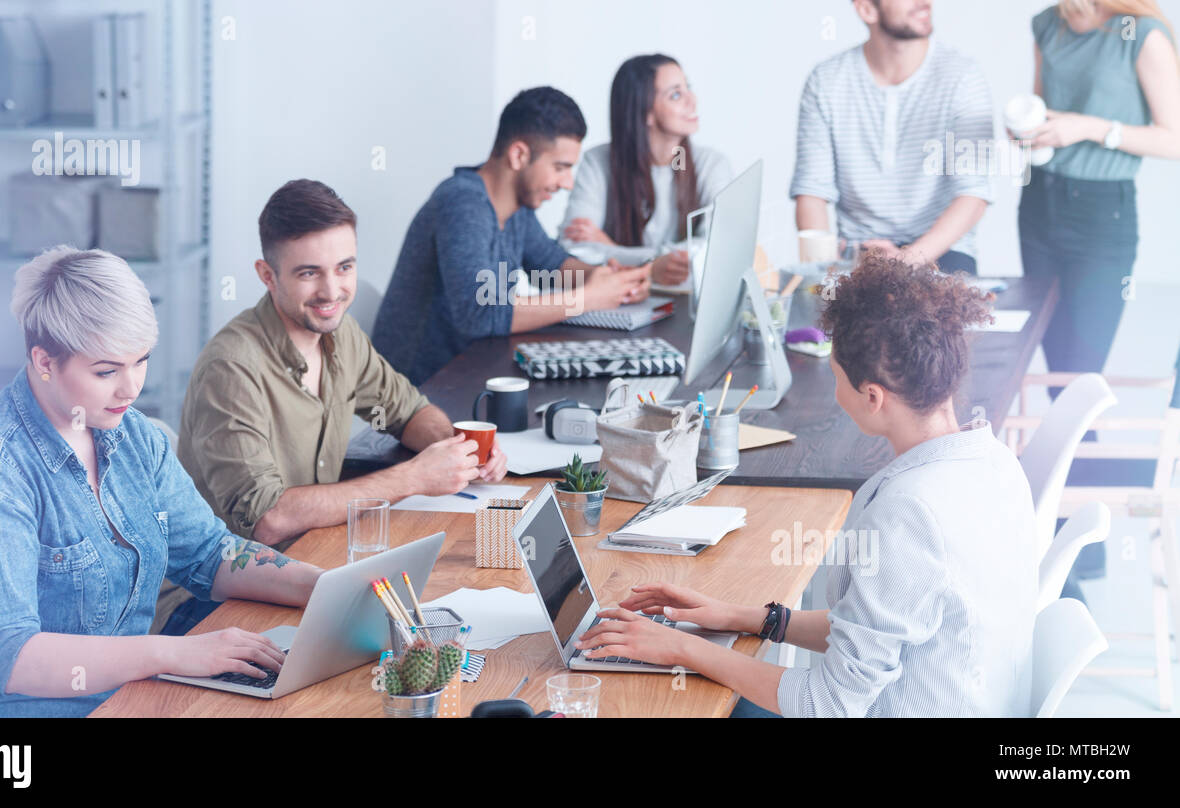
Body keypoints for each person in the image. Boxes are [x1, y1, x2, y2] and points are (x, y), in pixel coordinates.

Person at [575, 255, 1038, 717]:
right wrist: (745, 618)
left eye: (837, 377)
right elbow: (879, 629)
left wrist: (680, 649)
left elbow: (829, 704)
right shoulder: (994, 459)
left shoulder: (909, 511)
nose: (836, 392)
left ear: (872, 396)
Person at [0, 247, 322, 716]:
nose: (131, 388)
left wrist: (323, 588)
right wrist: (176, 654)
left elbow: (210, 554)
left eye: (140, 361)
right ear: (44, 361)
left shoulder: (134, 437)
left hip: (111, 699)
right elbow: (10, 657)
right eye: (107, 371)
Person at [161, 180, 506, 634]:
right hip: (215, 601)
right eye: (308, 273)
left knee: (453, 618)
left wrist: (458, 450)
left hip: (311, 564)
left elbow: (407, 410)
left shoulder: (340, 336)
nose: (332, 290)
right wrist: (417, 476)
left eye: (344, 267)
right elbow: (269, 519)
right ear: (267, 275)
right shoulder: (231, 368)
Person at [373, 86, 651, 386]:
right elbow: (479, 312)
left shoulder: (516, 208)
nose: (568, 183)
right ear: (519, 155)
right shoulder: (462, 203)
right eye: (560, 167)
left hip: (472, 374)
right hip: (419, 395)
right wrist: (588, 298)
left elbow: (550, 265)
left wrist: (609, 279)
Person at [1018, 0, 1179, 388]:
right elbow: (1044, 106)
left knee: (1078, 377)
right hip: (1039, 203)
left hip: (1101, 217)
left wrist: (1090, 128)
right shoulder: (1048, 24)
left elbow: (1174, 139)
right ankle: (1071, 464)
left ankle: (1080, 463)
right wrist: (1029, 127)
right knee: (1054, 374)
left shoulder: (1143, 35)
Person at [790, 0, 995, 274]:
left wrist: (907, 261)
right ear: (866, 9)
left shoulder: (964, 77)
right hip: (859, 253)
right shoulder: (826, 82)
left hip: (940, 250)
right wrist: (822, 271)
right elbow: (812, 192)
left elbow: (973, 195)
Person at [557, 54, 734, 286]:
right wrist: (654, 264)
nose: (693, 101)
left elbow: (715, 246)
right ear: (645, 112)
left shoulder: (711, 164)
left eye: (687, 88)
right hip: (619, 301)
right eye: (676, 95)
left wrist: (613, 249)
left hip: (684, 302)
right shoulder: (597, 162)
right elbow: (573, 246)